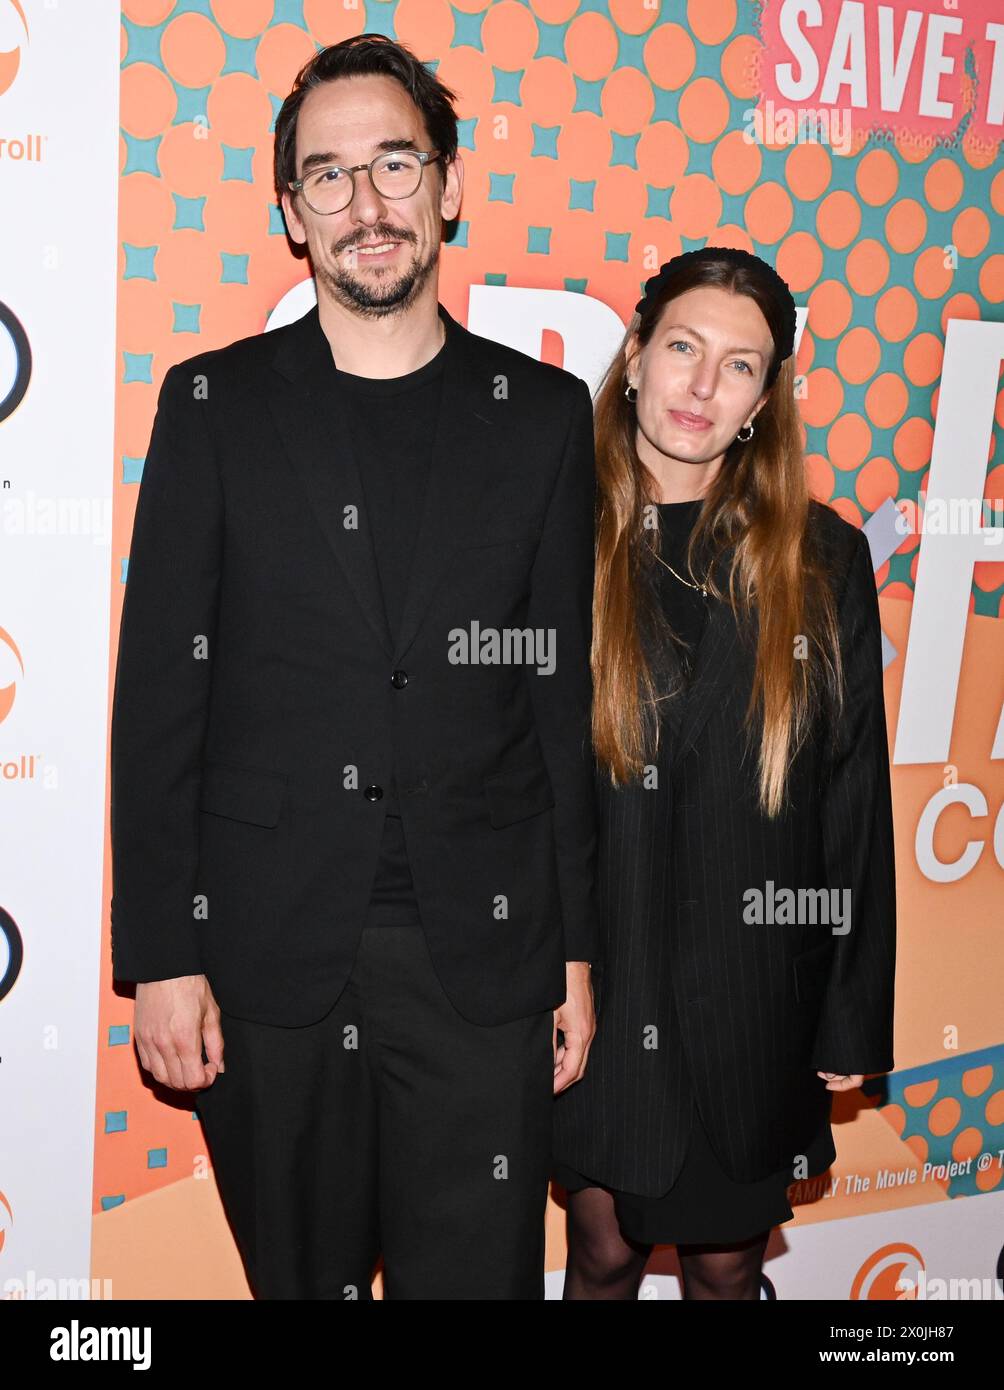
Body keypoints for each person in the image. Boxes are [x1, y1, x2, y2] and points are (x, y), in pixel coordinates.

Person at [109, 33, 598, 1301]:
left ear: (448, 184)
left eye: (394, 163)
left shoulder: (544, 417)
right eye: (327, 176)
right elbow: (160, 698)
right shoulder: (211, 407)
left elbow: (559, 705)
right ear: (291, 212)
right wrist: (162, 955)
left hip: (483, 964)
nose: (365, 203)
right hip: (266, 958)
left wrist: (575, 956)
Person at [551, 246, 897, 1300]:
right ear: (636, 355)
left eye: (739, 365)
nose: (702, 386)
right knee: (601, 1252)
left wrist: (852, 1009)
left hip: (752, 996)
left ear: (763, 398)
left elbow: (851, 794)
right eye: (683, 348)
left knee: (726, 1265)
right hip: (593, 981)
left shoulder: (821, 558)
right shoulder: (550, 532)